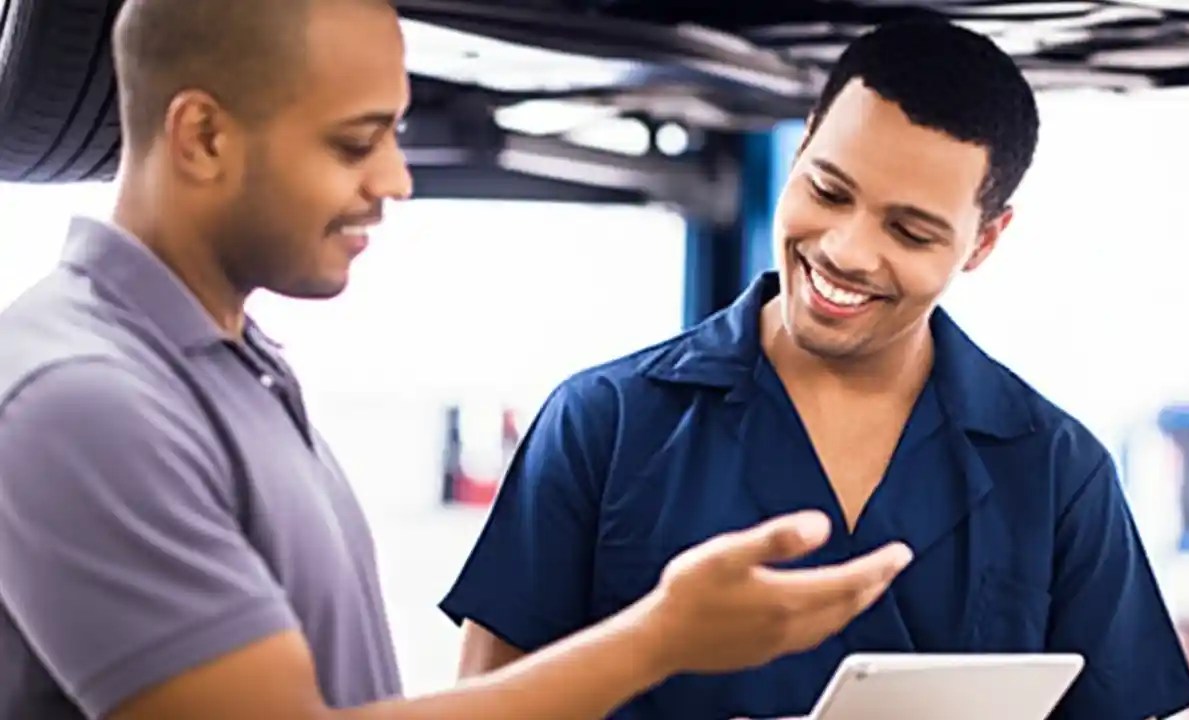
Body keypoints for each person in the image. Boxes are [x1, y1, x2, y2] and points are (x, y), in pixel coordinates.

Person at [0, 1, 916, 719]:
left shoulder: (222, 367)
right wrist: (661, 640)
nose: (395, 179)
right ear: (202, 136)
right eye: (355, 143)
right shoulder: (80, 401)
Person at [442, 17, 1189, 720]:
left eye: (910, 232)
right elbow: (481, 707)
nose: (845, 251)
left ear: (983, 241)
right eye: (828, 191)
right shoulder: (602, 425)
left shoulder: (1057, 472)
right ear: (803, 143)